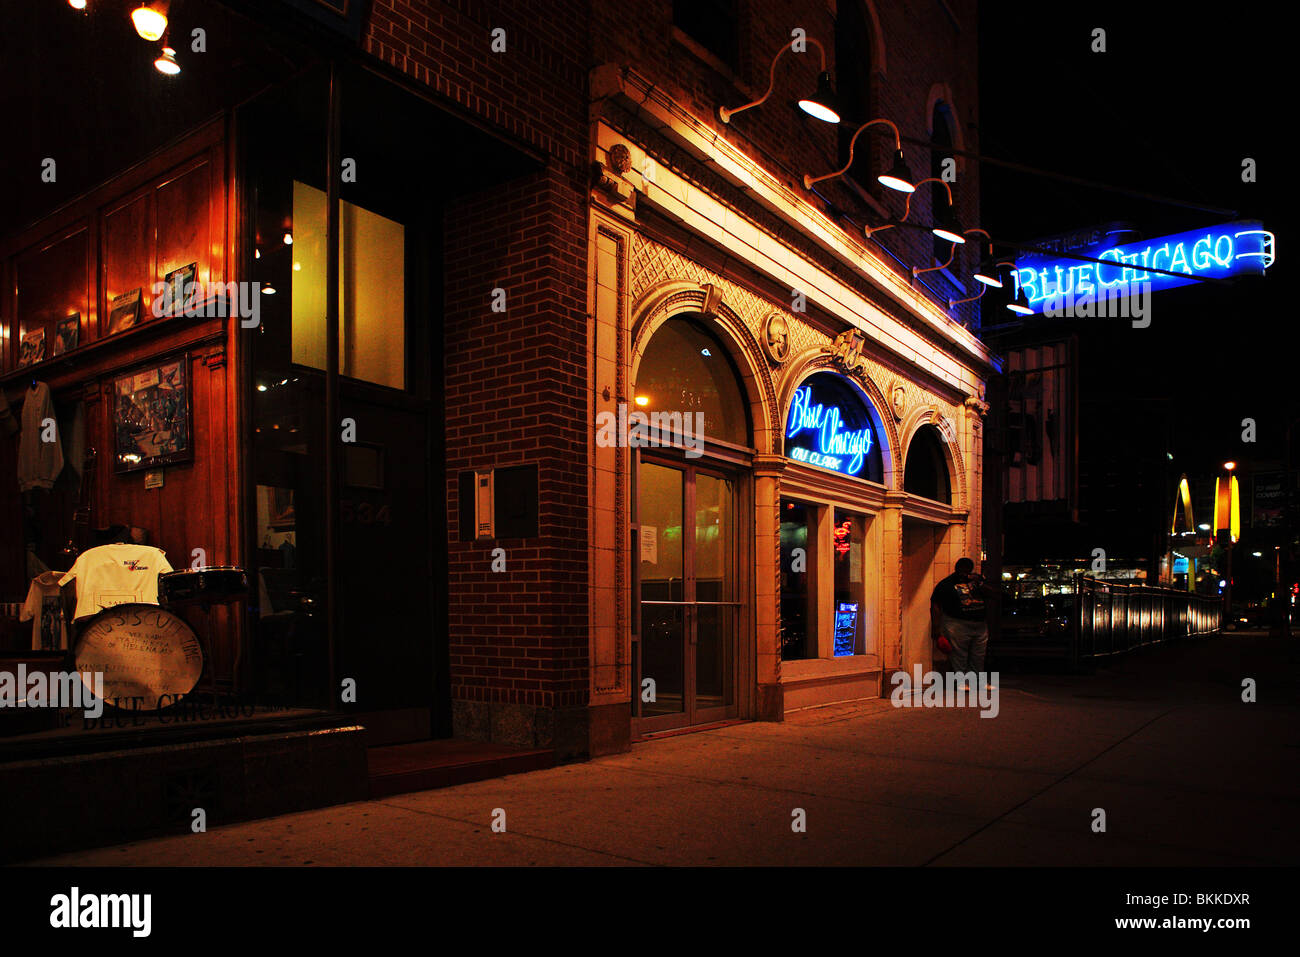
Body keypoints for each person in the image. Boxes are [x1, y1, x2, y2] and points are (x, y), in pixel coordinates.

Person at [931, 557, 997, 688]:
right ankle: (961, 681)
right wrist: (936, 626)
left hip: (979, 623)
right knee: (959, 654)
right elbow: (935, 604)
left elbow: (994, 594)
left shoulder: (976, 582)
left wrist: (980, 583)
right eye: (962, 569)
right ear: (956, 568)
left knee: (978, 654)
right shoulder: (947, 584)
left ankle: (977, 680)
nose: (964, 572)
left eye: (967, 569)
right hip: (957, 622)